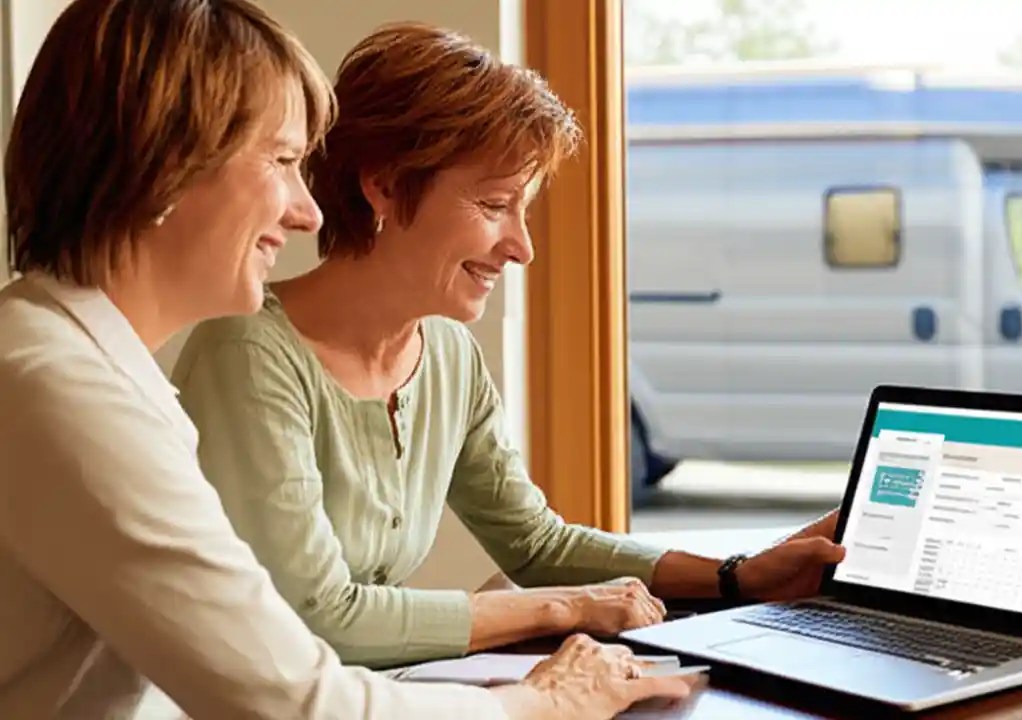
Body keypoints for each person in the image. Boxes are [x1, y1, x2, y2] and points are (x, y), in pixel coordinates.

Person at [0, 2, 697, 718]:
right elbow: (302, 703)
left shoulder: (75, 363)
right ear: (163, 166)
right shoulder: (66, 393)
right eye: (280, 161)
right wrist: (545, 700)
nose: (307, 212)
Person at [172, 20, 846, 670]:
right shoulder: (248, 354)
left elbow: (536, 543)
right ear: (381, 184)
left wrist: (739, 577)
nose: (521, 247)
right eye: (495, 206)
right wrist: (559, 610)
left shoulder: (447, 356)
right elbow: (318, 617)